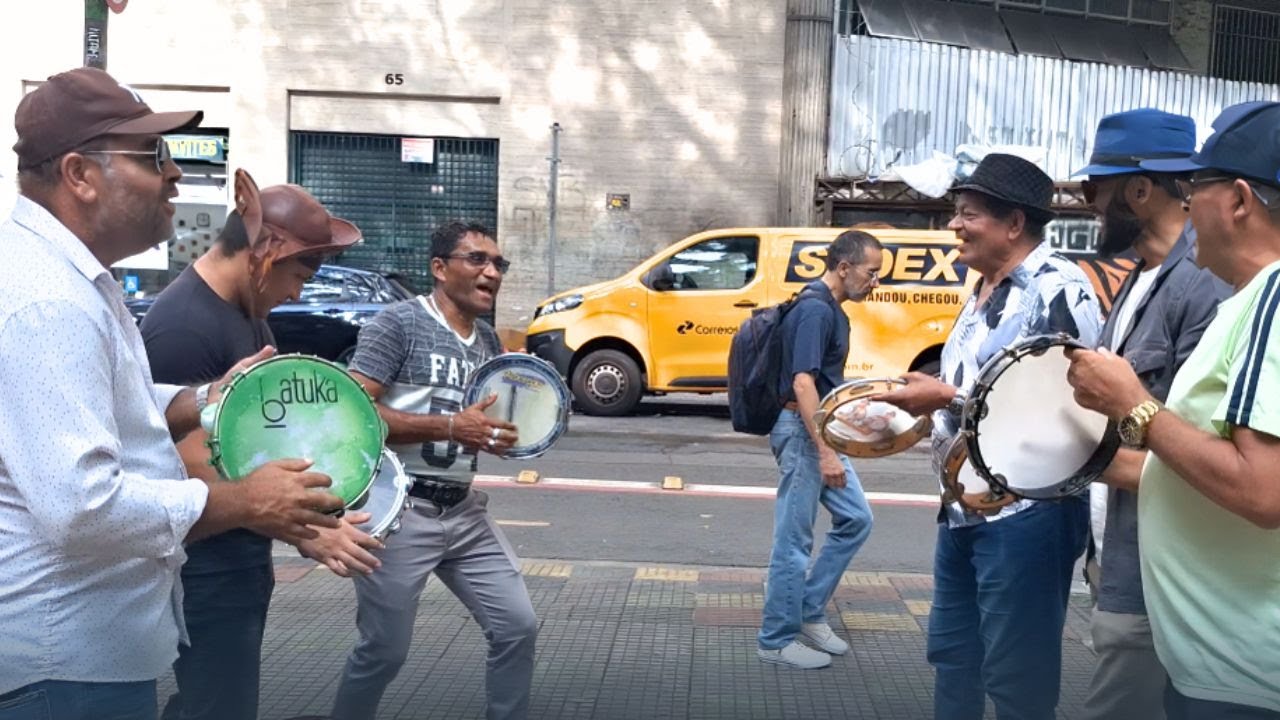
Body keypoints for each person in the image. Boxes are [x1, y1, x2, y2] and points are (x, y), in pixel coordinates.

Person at [0, 67, 343, 720]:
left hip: (83, 664)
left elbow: (109, 401)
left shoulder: (69, 281)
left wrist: (206, 399)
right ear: (79, 174)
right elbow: (81, 509)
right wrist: (246, 500)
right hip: (61, 674)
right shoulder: (48, 300)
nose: (175, 174)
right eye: (154, 155)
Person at [1068, 101, 1280, 720]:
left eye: (1195, 188)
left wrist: (1134, 404)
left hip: (1240, 675)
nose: (1187, 206)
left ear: (1237, 201)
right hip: (1218, 667)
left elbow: (1264, 490)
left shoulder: (1270, 303)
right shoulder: (1247, 304)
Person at [141, 176, 381, 720]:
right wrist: (310, 529)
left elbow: (253, 444)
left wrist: (321, 502)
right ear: (267, 252)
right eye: (302, 273)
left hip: (239, 556)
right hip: (205, 570)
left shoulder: (245, 312)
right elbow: (194, 469)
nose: (298, 293)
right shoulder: (183, 327)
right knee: (216, 707)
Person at [876, 153, 1103, 719]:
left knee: (1017, 681)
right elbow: (976, 384)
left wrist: (948, 398)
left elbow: (1070, 413)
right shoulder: (983, 288)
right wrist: (915, 406)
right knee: (953, 659)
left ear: (1014, 224)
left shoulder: (1060, 288)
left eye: (968, 213)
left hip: (1027, 517)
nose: (954, 225)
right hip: (962, 511)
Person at [331, 221, 536, 720]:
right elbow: (351, 413)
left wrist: (498, 438)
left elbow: (474, 424)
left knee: (518, 625)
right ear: (439, 269)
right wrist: (450, 427)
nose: (492, 272)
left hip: (464, 513)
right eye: (478, 260)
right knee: (384, 651)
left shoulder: (487, 339)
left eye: (498, 264)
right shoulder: (398, 323)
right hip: (400, 513)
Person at [755, 229, 880, 670]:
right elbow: (803, 382)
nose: (875, 281)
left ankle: (807, 610)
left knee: (857, 519)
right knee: (793, 541)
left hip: (820, 430)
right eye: (871, 272)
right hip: (804, 434)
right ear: (844, 268)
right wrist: (826, 450)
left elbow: (823, 381)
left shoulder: (830, 309)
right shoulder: (814, 310)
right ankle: (775, 639)